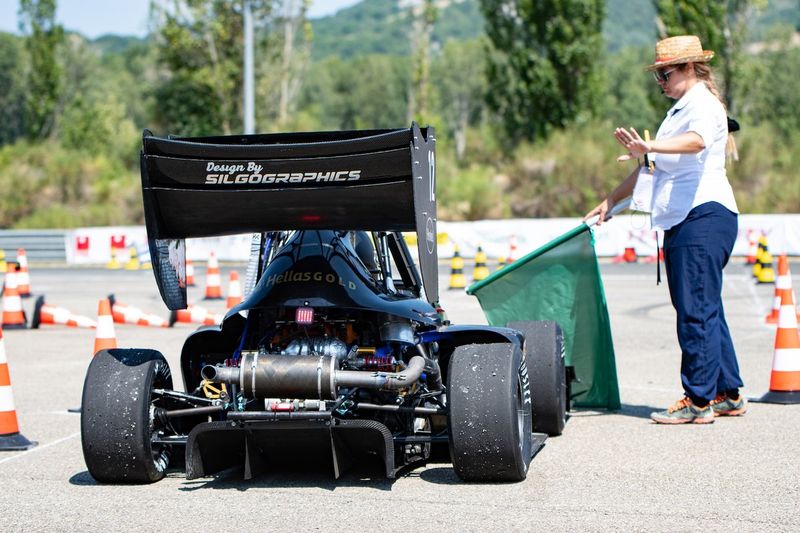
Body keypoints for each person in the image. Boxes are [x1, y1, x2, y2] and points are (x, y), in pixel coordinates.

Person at [584, 35, 746, 424]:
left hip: (701, 216)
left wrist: (652, 147)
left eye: (665, 74)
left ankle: (698, 400)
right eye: (657, 75)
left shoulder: (702, 104)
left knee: (695, 310)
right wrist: (610, 202)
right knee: (705, 306)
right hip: (688, 218)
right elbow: (649, 168)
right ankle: (726, 392)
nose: (660, 82)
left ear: (689, 68)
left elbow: (696, 142)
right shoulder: (678, 111)